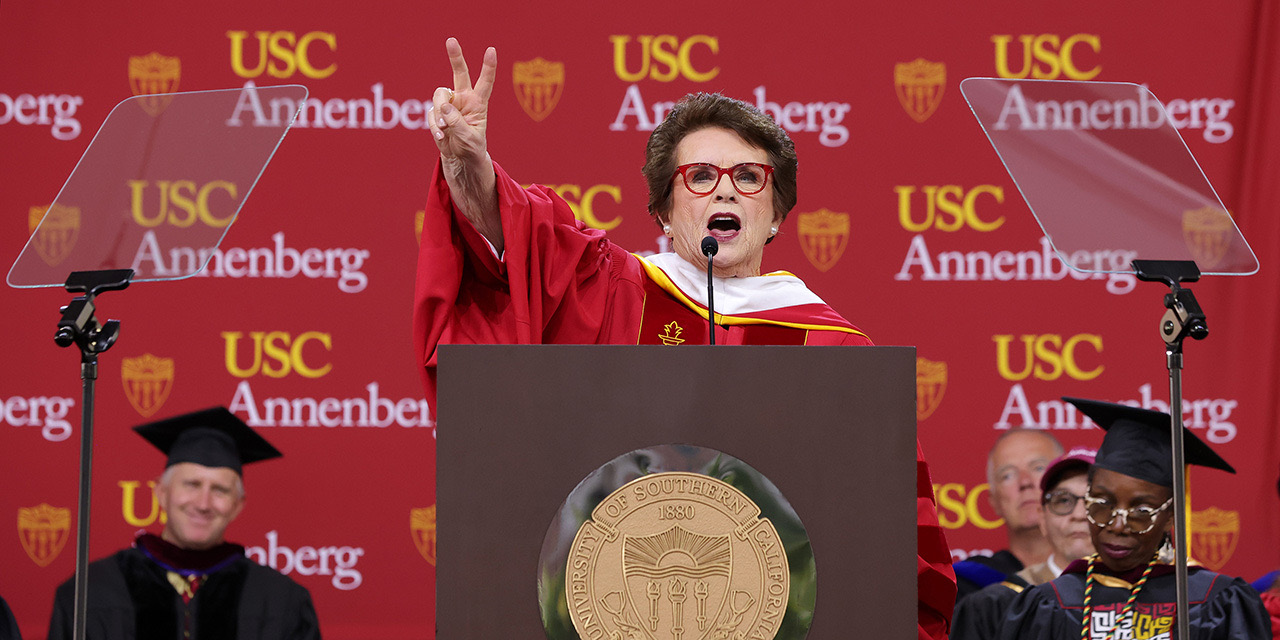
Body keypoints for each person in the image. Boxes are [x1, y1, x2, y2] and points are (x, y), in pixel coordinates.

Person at [412, 38, 956, 638]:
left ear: (776, 215)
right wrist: (469, 165)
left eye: (749, 177)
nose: (724, 190)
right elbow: (520, 250)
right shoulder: (617, 290)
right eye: (699, 176)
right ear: (665, 214)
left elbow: (893, 554)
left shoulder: (840, 358)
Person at [998, 398, 1270, 639]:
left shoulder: (1214, 600)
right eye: (1102, 504)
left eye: (1142, 512)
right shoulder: (1050, 603)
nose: (1117, 526)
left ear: (1171, 516)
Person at [48, 407, 321, 640]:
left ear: (238, 505)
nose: (203, 503)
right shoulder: (93, 591)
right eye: (191, 484)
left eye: (220, 490)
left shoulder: (281, 600)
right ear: (161, 493)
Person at [950, 447, 1097, 639]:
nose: (1079, 515)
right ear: (1042, 519)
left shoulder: (1141, 598)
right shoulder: (995, 605)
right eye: (1063, 501)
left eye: (1094, 501)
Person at [953, 429, 1063, 601]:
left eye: (1038, 467)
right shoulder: (967, 587)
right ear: (994, 502)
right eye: (1007, 475)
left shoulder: (1102, 578)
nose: (1025, 482)